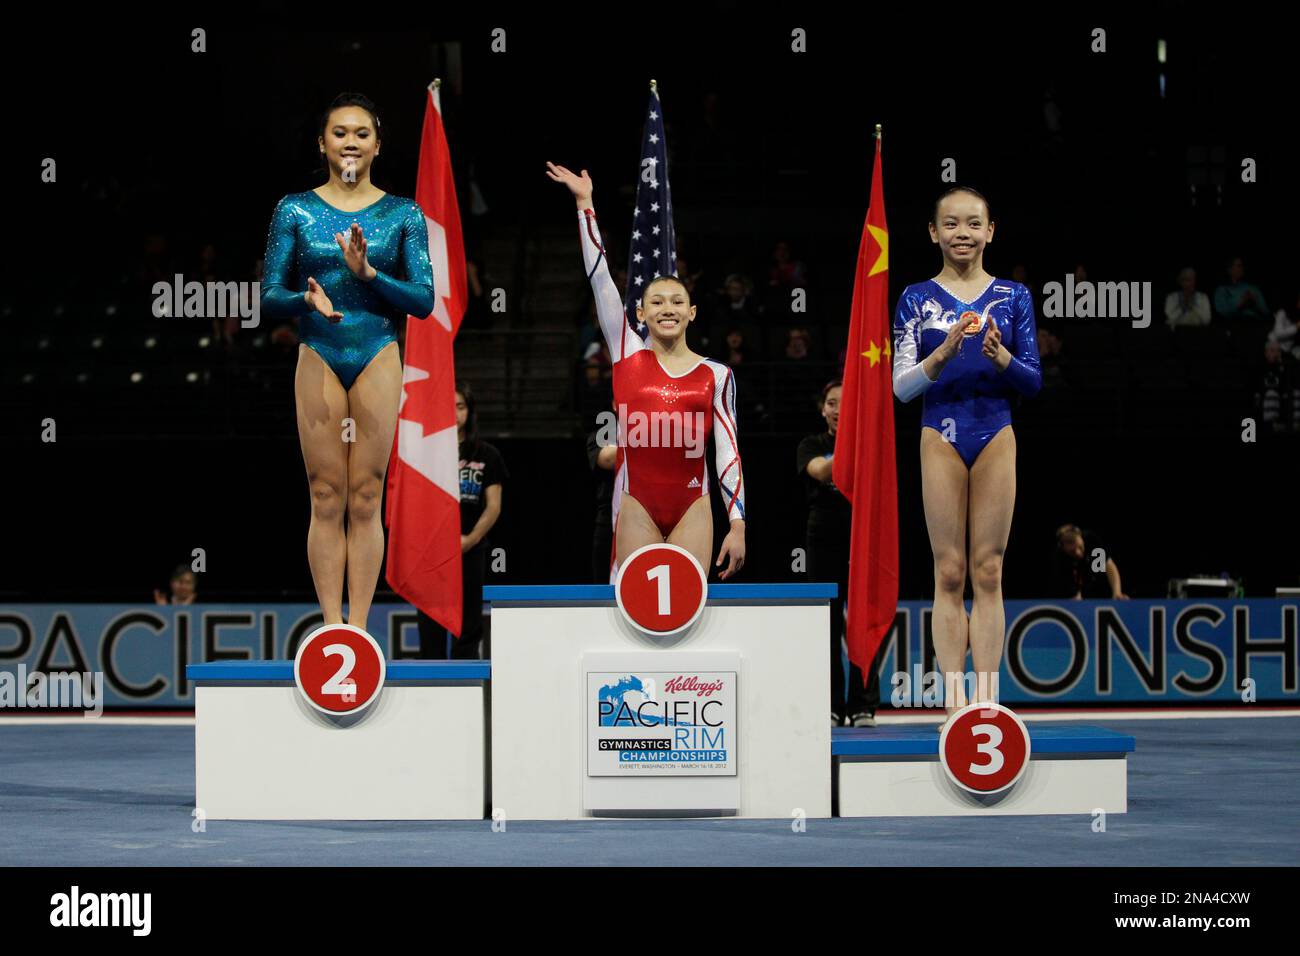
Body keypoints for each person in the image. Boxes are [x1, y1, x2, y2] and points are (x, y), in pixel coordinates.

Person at [260, 92, 435, 631]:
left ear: (377, 145)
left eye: (362, 133)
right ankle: (331, 624)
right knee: (325, 491)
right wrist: (303, 301)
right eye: (340, 133)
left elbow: (424, 301)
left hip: (377, 352)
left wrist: (369, 277)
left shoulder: (403, 213)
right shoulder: (294, 208)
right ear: (323, 143)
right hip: (318, 351)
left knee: (365, 494)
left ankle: (358, 628)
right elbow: (269, 295)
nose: (351, 141)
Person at [547, 162, 746, 578]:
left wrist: (738, 524)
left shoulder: (718, 374)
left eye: (677, 301)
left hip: (694, 504)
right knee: (634, 607)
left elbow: (727, 451)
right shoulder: (626, 352)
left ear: (692, 312)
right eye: (656, 302)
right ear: (640, 312)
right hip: (636, 503)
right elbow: (600, 277)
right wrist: (586, 204)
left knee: (689, 610)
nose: (667, 309)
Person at [892, 186, 1041, 726]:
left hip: (995, 432)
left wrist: (1001, 357)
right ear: (934, 232)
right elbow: (902, 389)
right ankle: (953, 698)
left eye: (973, 224)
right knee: (950, 570)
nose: (962, 233)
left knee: (990, 568)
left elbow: (1034, 383)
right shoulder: (915, 298)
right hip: (940, 434)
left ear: (990, 231)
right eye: (951, 224)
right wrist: (944, 351)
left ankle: (988, 697)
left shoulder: (1013, 297)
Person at [797, 381, 883, 727]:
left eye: (844, 403)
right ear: (823, 409)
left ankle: (863, 704)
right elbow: (818, 470)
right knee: (827, 624)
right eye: (831, 402)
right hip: (823, 539)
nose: (837, 409)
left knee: (863, 621)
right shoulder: (811, 445)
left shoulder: (873, 443)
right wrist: (853, 446)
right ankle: (831, 704)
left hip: (863, 538)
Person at [415, 383, 506, 659]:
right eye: (448, 407)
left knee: (469, 624)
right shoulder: (423, 452)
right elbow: (415, 505)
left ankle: (468, 688)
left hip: (471, 550)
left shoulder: (487, 454)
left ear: (470, 411)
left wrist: (469, 540)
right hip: (431, 553)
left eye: (460, 406)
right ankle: (430, 686)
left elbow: (493, 506)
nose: (454, 414)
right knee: (430, 623)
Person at [1049, 524, 1128, 599]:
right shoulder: (1059, 557)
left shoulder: (1091, 540)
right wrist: (1076, 596)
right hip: (1082, 586)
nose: (1078, 553)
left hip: (1098, 581)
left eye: (1080, 547)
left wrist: (1117, 592)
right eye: (1072, 551)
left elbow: (1108, 566)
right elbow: (1069, 583)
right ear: (1062, 548)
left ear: (1081, 537)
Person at [1213, 256, 1269, 321]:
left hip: (1255, 323)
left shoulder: (1252, 288)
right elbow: (1222, 312)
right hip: (1234, 324)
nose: (1242, 268)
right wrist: (1240, 304)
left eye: (1242, 266)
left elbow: (1266, 312)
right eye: (1239, 266)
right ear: (1229, 270)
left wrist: (1255, 303)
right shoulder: (1222, 290)